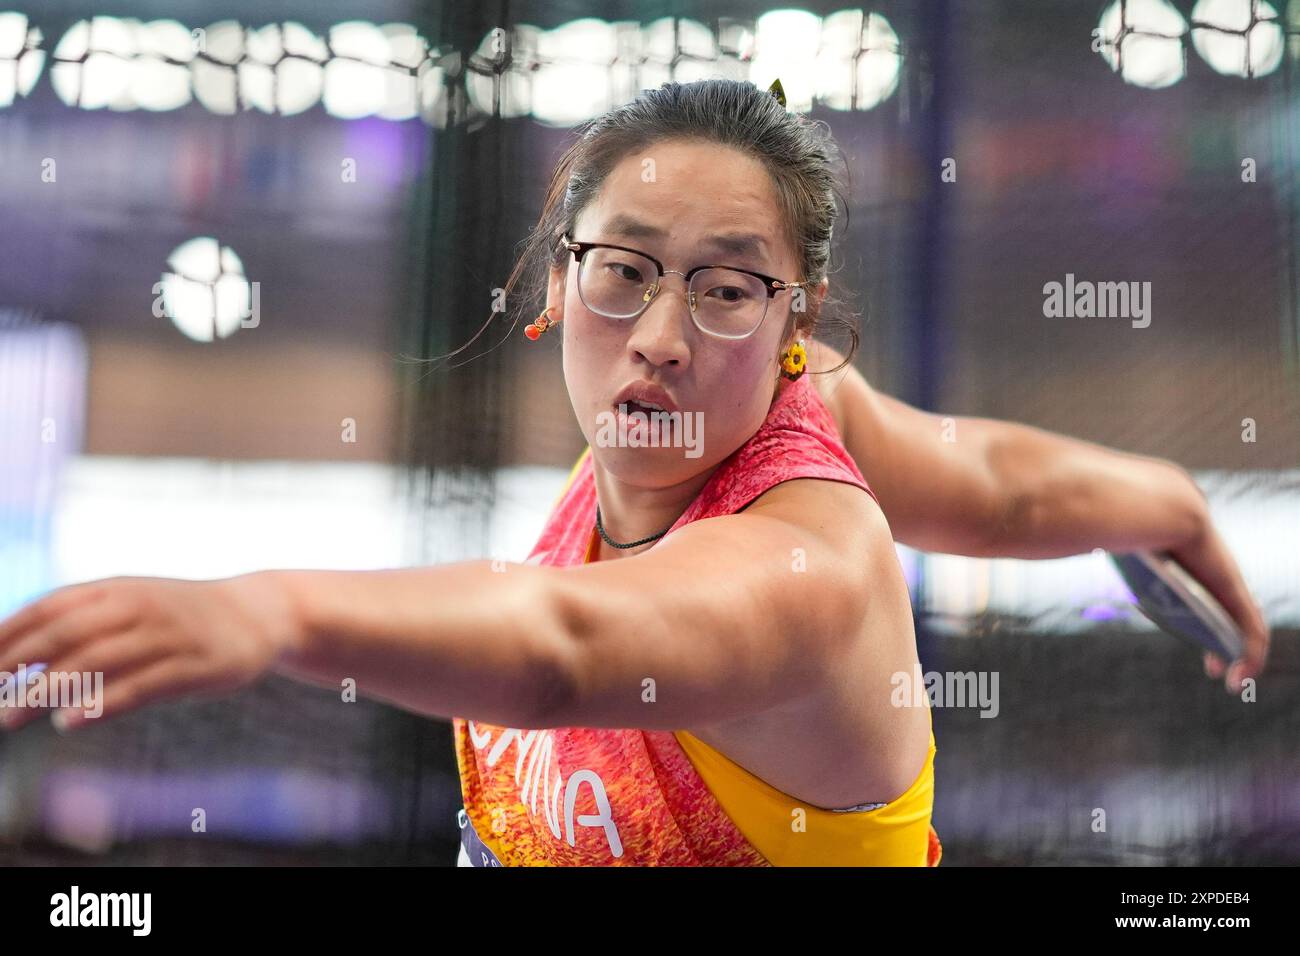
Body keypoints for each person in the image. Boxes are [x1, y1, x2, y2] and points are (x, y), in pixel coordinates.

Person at [0, 79, 1268, 868]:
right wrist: (1163, 501)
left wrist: (265, 609)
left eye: (725, 287)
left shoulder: (805, 574)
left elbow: (562, 644)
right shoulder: (711, 406)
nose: (661, 334)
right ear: (560, 283)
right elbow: (995, 483)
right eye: (625, 269)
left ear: (793, 321)